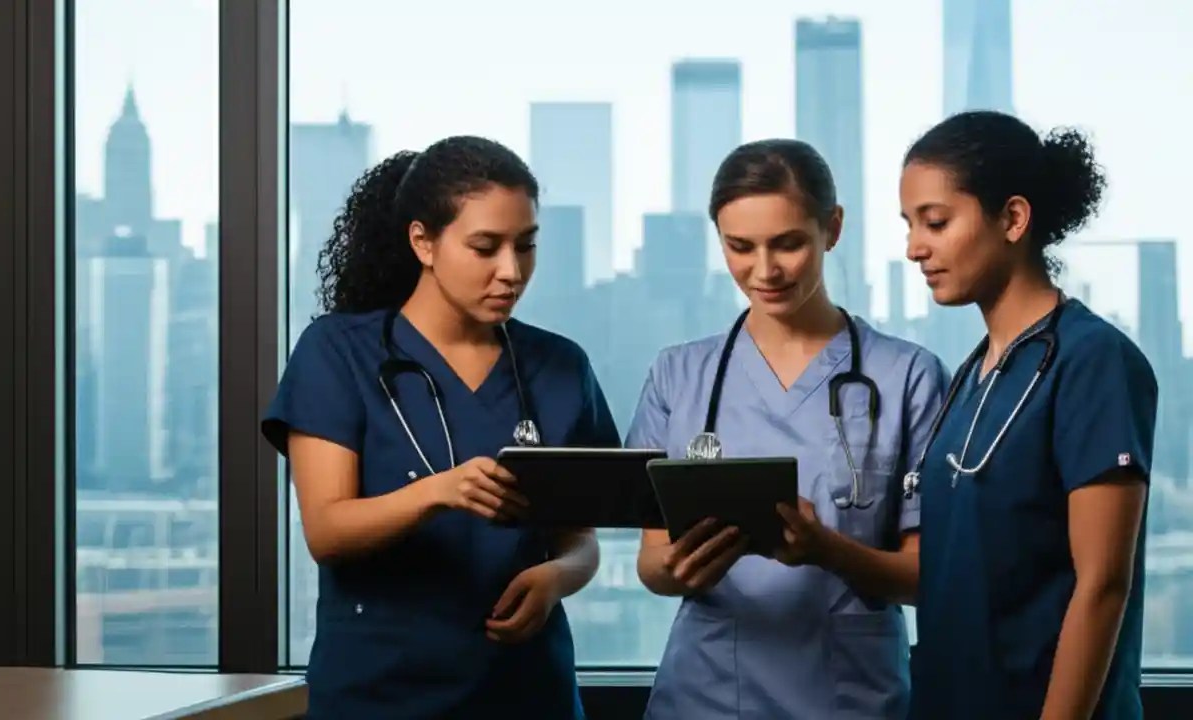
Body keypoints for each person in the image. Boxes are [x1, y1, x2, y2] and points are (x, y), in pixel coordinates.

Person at [261, 136, 620, 719]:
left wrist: (558, 577)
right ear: (422, 241)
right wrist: (438, 491)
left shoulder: (560, 368)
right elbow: (326, 531)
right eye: (485, 247)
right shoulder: (338, 353)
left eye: (525, 246)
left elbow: (579, 539)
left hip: (529, 695)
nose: (511, 271)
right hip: (380, 696)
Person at [629, 138, 950, 719]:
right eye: (739, 247)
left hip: (847, 698)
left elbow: (927, 577)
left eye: (788, 244)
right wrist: (674, 570)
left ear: (832, 228)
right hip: (705, 696)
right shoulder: (678, 375)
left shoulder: (907, 377)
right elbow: (650, 562)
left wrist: (826, 550)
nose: (764, 270)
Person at [899, 110, 1156, 720]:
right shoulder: (972, 376)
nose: (914, 248)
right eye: (908, 225)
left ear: (1013, 218)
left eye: (935, 222)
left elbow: (1102, 586)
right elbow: (954, 571)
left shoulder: (1092, 362)